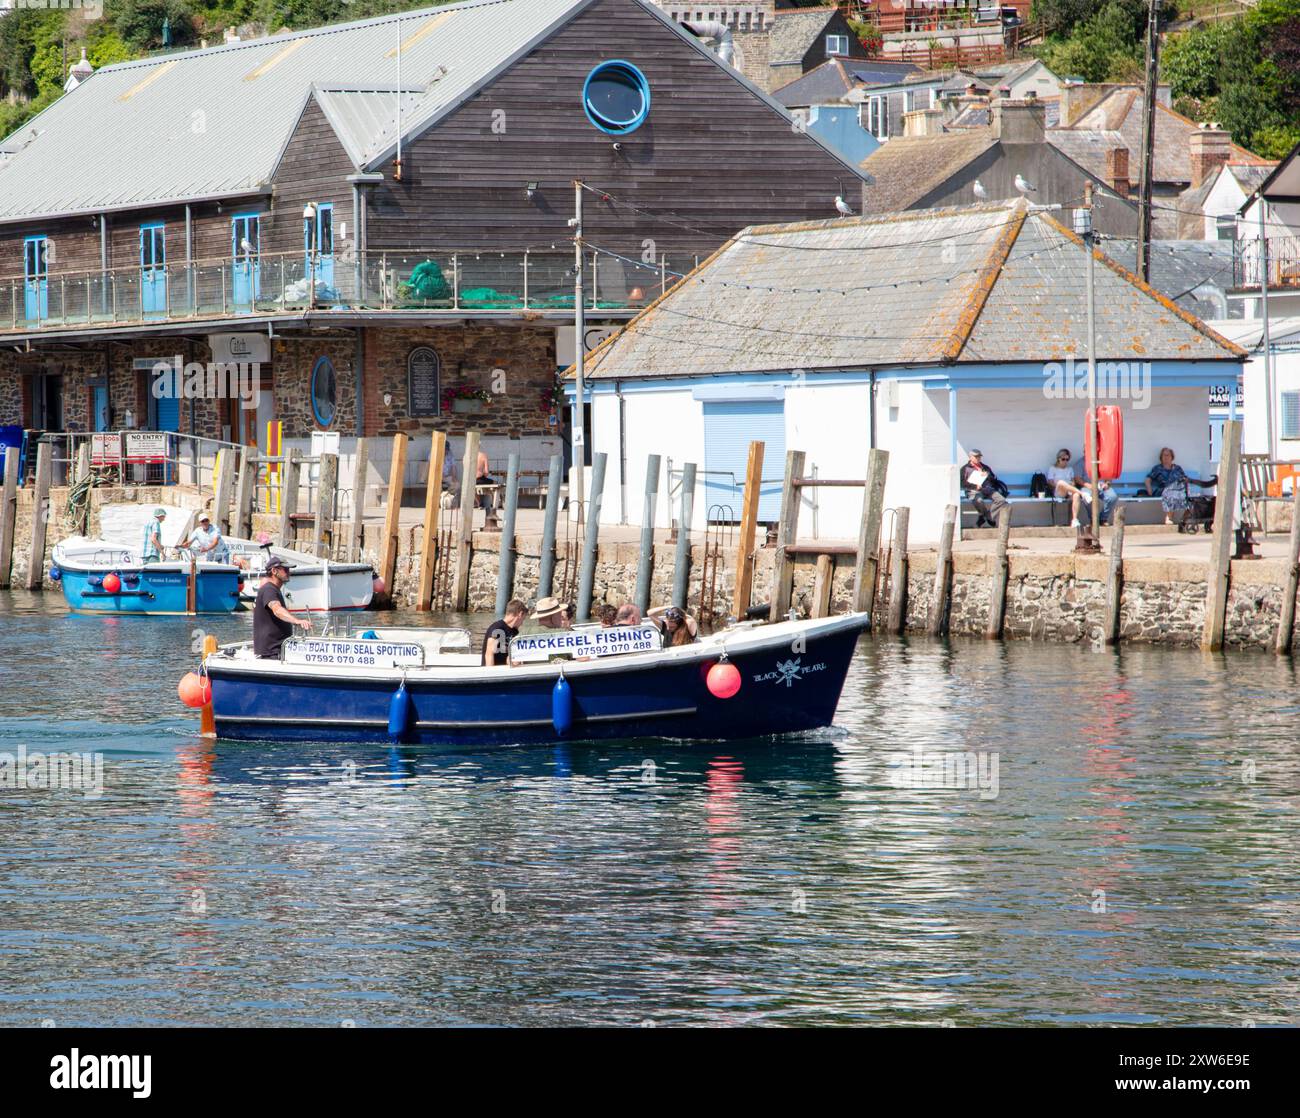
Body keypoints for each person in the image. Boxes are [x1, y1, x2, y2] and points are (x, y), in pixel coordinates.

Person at [253, 557, 312, 659]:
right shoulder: (269, 590)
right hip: (272, 653)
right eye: (285, 569)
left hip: (278, 650)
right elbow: (277, 609)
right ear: (274, 571)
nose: (289, 572)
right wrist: (296, 621)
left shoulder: (273, 589)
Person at [1145, 447, 1215, 525]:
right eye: (1164, 455)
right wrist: (1149, 489)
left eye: (1168, 455)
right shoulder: (1157, 468)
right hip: (1163, 489)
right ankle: (1169, 517)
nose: (1166, 457)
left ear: (1172, 457)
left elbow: (1184, 479)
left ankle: (1184, 518)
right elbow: (1148, 479)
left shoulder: (1177, 468)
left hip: (1178, 489)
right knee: (1170, 493)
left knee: (1192, 497)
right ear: (1161, 457)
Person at [960, 450, 1009, 528]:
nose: (978, 458)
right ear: (970, 457)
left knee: (1001, 500)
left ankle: (987, 517)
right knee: (979, 500)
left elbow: (994, 479)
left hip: (987, 490)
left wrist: (987, 475)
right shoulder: (965, 468)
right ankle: (985, 516)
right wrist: (975, 486)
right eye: (976, 457)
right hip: (973, 491)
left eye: (979, 457)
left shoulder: (985, 467)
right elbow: (962, 483)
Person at [1069, 449, 1119, 528]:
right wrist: (1088, 485)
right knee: (1088, 498)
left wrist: (1107, 484)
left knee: (1112, 497)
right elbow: (1077, 478)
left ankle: (1103, 519)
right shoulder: (1080, 463)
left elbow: (1108, 476)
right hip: (1087, 486)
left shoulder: (1102, 461)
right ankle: (1093, 519)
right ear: (1084, 452)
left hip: (1101, 486)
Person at [482, 598, 526, 666]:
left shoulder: (515, 631)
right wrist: (491, 674)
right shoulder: (497, 629)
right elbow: (489, 655)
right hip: (495, 672)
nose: (522, 623)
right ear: (520, 614)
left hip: (507, 670)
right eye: (523, 619)